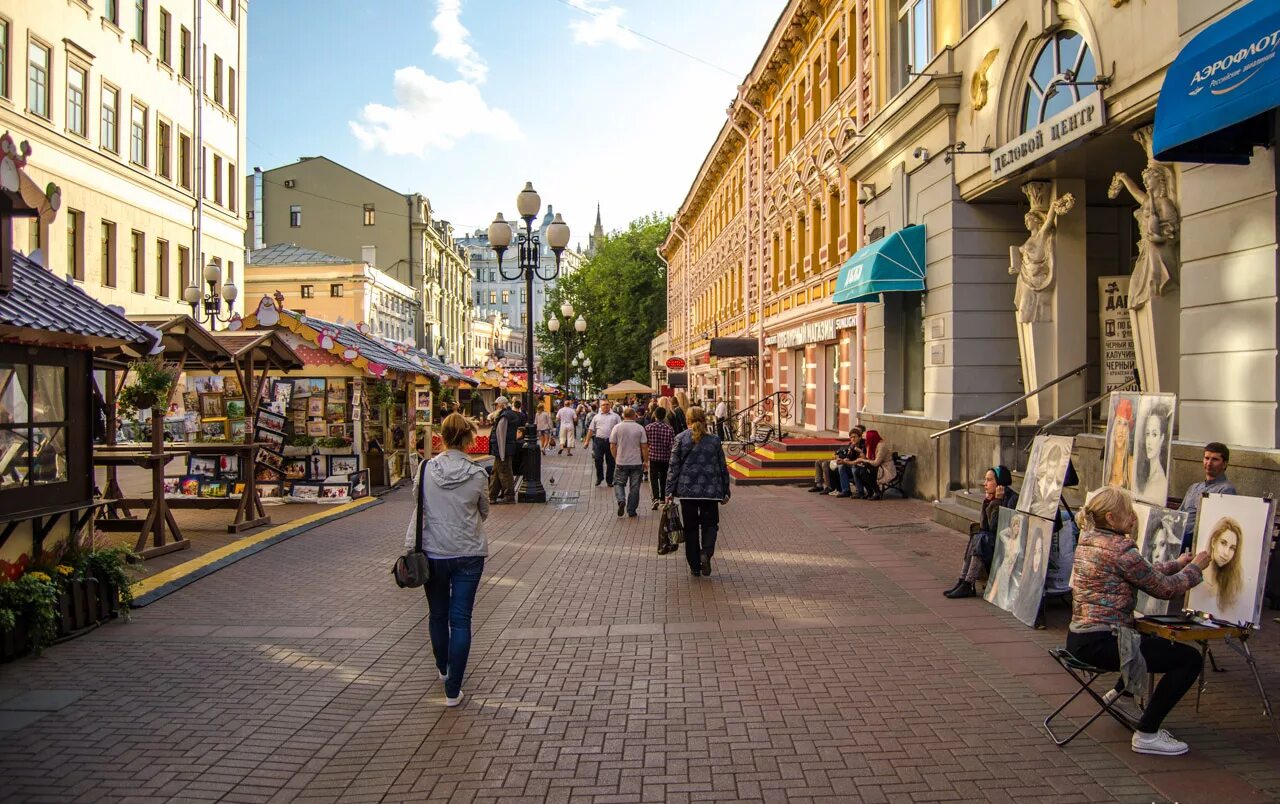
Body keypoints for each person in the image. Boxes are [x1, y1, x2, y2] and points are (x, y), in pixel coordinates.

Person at [1068, 485, 1210, 756]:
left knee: (1147, 641)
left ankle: (1120, 696)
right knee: (1189, 660)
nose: (1134, 518)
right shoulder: (1120, 550)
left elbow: (1142, 572)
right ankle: (1147, 733)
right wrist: (1195, 569)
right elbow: (1164, 588)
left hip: (1080, 639)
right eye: (1128, 512)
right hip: (1103, 642)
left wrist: (1177, 563)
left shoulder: (1089, 539)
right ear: (1111, 518)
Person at [404, 413, 489, 708]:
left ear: (441, 436)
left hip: (434, 551)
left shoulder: (426, 469)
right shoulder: (478, 474)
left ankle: (443, 669)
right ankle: (454, 690)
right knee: (461, 619)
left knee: (438, 615)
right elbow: (484, 511)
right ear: (468, 439)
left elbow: (418, 501)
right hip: (468, 551)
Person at [666, 406, 731, 578]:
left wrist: (669, 491)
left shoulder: (680, 439)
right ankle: (706, 554)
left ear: (687, 420)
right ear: (704, 419)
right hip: (710, 491)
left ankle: (695, 566)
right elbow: (722, 466)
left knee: (691, 529)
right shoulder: (714, 440)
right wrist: (725, 490)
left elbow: (673, 467)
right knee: (710, 525)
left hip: (687, 491)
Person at [945, 466, 1018, 599]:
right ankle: (963, 581)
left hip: (1007, 544)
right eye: (985, 480)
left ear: (999, 483)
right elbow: (984, 525)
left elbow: (997, 528)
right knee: (977, 536)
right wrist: (987, 502)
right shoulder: (992, 498)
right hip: (993, 540)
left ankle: (968, 584)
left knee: (982, 538)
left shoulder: (1011, 499)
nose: (985, 484)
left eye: (989, 480)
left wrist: (997, 502)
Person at [1177, 442, 1237, 552]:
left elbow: (1217, 524)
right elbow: (1178, 514)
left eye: (1215, 459)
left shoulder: (1226, 489)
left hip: (1196, 541)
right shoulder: (1194, 487)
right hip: (1179, 536)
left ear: (1224, 464)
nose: (1209, 463)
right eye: (1206, 458)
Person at [609, 406, 649, 518]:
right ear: (634, 415)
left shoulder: (617, 428)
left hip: (621, 461)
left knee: (618, 483)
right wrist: (646, 461)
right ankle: (631, 510)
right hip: (636, 461)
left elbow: (612, 445)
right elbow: (644, 446)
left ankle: (621, 500)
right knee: (635, 487)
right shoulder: (640, 428)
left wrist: (616, 457)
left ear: (623, 415)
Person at [1199, 516, 1244, 611]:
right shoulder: (1198, 575)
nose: (1226, 553)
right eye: (1223, 543)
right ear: (1213, 542)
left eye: (1232, 548)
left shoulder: (1230, 582)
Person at [1133, 402, 1171, 504]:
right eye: (1147, 434)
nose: (1149, 441)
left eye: (1154, 434)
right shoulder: (1144, 472)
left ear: (1162, 438)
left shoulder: (1160, 480)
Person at [808, 428, 863, 495]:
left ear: (860, 437)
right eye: (851, 437)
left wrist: (844, 461)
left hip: (855, 467)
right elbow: (846, 456)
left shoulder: (862, 446)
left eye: (855, 437)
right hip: (844, 462)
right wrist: (839, 457)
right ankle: (819, 485)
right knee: (818, 462)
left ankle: (830, 487)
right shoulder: (851, 446)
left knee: (827, 464)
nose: (853, 439)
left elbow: (858, 461)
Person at [486, 396, 519, 504]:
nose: (495, 407)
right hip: (503, 450)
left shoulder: (504, 416)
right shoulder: (506, 415)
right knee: (496, 473)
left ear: (501, 405)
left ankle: (509, 496)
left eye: (496, 405)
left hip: (502, 450)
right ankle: (492, 496)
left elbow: (501, 435)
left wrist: (502, 453)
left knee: (505, 472)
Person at [585, 399, 621, 487]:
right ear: (600, 406)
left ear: (610, 406)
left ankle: (609, 480)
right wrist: (587, 441)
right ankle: (599, 477)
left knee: (611, 462)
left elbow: (620, 428)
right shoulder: (596, 417)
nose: (605, 406)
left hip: (611, 442)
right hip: (599, 441)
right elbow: (591, 430)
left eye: (607, 404)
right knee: (598, 460)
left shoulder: (615, 416)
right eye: (603, 405)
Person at [851, 429, 896, 499]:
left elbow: (876, 462)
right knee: (857, 470)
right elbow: (869, 459)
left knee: (864, 471)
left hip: (886, 469)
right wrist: (863, 457)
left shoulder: (881, 446)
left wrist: (863, 459)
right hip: (877, 468)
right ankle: (870, 491)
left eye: (867, 439)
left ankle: (877, 492)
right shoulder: (871, 445)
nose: (865, 441)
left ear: (871, 438)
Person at [645, 406, 675, 509]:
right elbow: (672, 446)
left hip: (653, 457)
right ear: (665, 416)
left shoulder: (648, 428)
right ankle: (662, 499)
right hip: (665, 458)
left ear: (655, 415)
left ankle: (655, 499)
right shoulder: (669, 429)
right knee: (664, 478)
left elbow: (645, 443)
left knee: (653, 478)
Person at [1105, 398, 1135, 488]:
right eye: (1118, 423)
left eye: (1125, 424)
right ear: (1114, 429)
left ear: (1128, 432)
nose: (1121, 430)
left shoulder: (1131, 464)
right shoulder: (1107, 462)